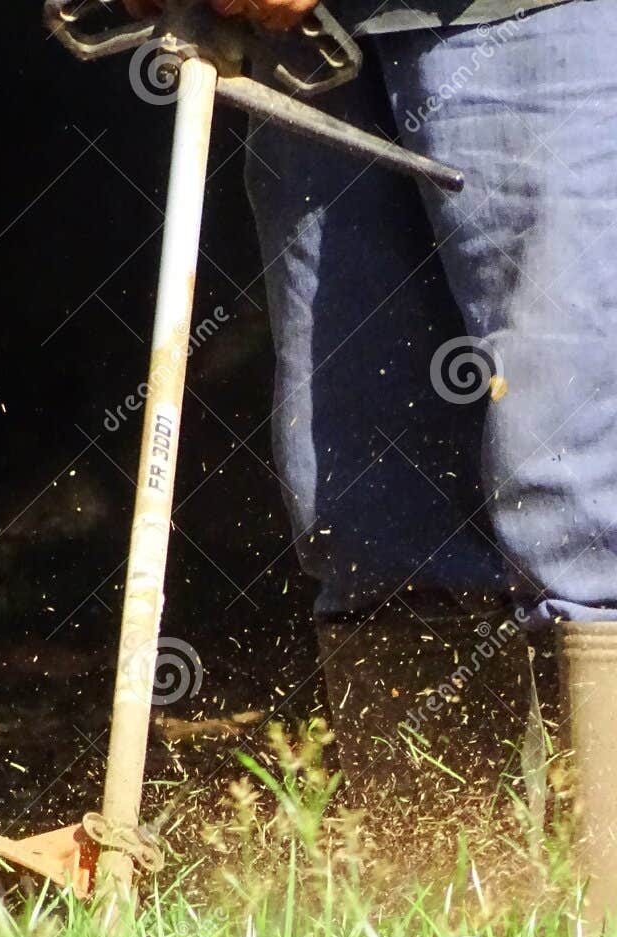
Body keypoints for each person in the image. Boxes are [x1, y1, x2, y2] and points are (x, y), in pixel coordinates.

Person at [124, 0, 617, 887]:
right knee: (363, 509)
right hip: (302, 44)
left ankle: (604, 913)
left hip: (532, 24)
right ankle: (437, 906)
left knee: (581, 488)